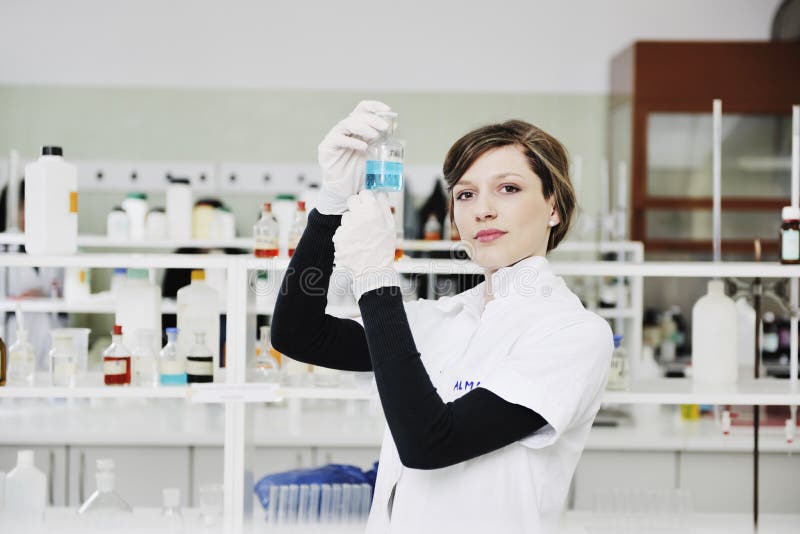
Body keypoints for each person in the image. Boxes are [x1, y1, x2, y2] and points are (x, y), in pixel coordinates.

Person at [270, 101, 613, 533]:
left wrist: (376, 279)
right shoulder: (441, 318)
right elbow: (297, 334)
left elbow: (430, 443)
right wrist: (332, 203)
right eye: (466, 194)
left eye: (508, 188)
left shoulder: (572, 334)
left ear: (554, 208)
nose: (482, 209)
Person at [1, 180, 66, 369]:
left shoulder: (57, 249)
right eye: (23, 207)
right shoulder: (4, 249)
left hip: (51, 341)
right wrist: (20, 301)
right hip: (11, 338)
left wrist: (47, 299)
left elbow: (66, 310)